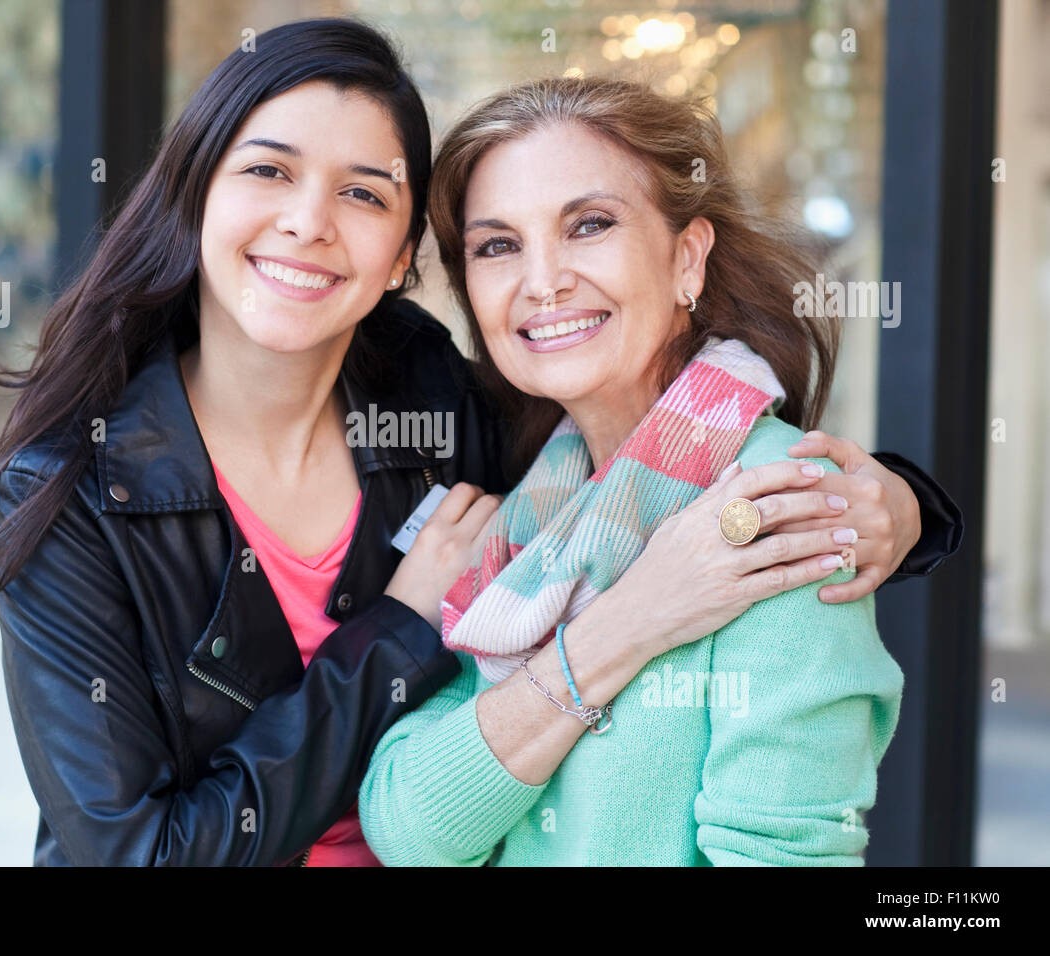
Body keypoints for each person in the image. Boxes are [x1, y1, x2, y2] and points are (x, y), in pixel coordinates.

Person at [0, 20, 959, 866]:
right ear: (196, 195)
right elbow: (144, 854)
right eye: (268, 171)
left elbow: (659, 458)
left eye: (364, 193)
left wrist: (904, 507)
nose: (307, 221)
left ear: (400, 261)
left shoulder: (439, 410)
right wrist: (400, 621)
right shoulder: (72, 497)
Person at [359, 76, 933, 866]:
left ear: (687, 259)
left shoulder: (774, 508)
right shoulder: (536, 511)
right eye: (498, 245)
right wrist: (630, 622)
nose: (542, 280)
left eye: (588, 225)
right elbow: (408, 827)